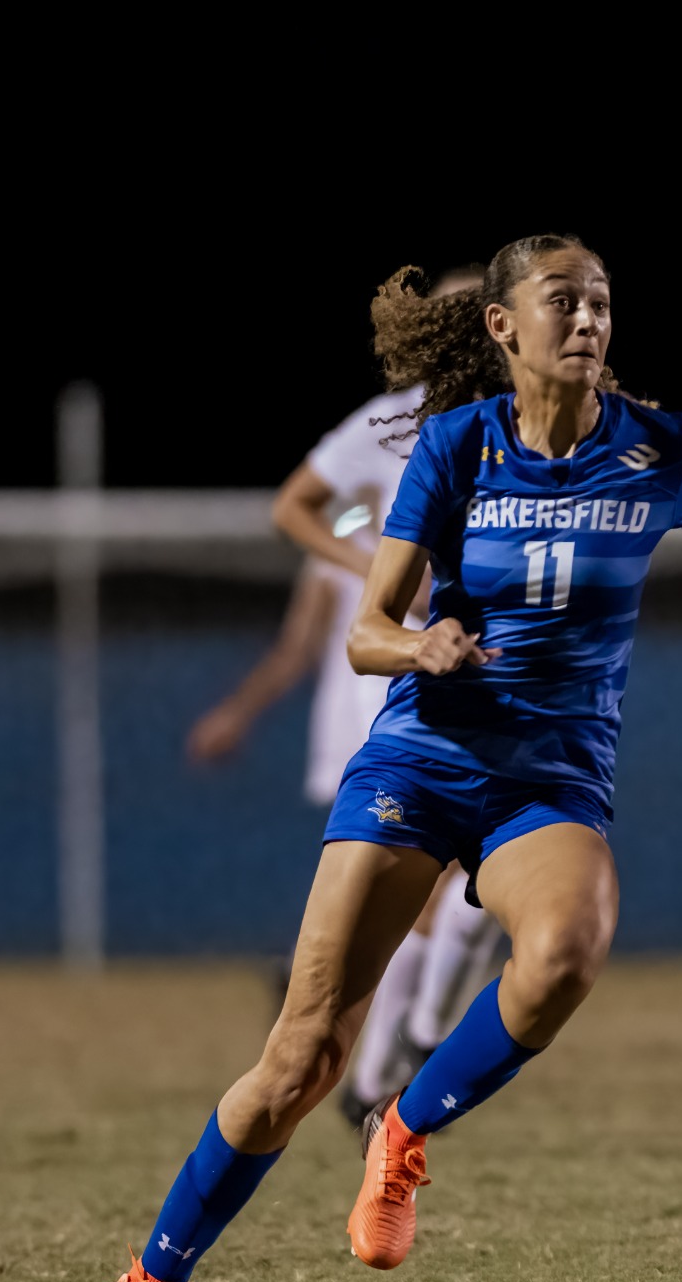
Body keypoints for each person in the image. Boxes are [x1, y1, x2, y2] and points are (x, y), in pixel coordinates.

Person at [81, 233, 682, 1282]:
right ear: (501, 327)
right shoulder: (453, 446)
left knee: (567, 952)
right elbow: (366, 635)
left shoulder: (661, 452)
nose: (587, 322)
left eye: (602, 305)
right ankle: (154, 1279)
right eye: (562, 303)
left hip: (551, 778)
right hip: (421, 761)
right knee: (299, 1057)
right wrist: (418, 645)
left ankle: (404, 1128)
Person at [187, 267, 502, 1117]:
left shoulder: (529, 422)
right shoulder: (392, 423)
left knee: (462, 891)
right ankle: (379, 1066)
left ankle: (382, 1063)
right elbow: (295, 507)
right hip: (399, 678)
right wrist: (373, 569)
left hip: (484, 674)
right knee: (429, 887)